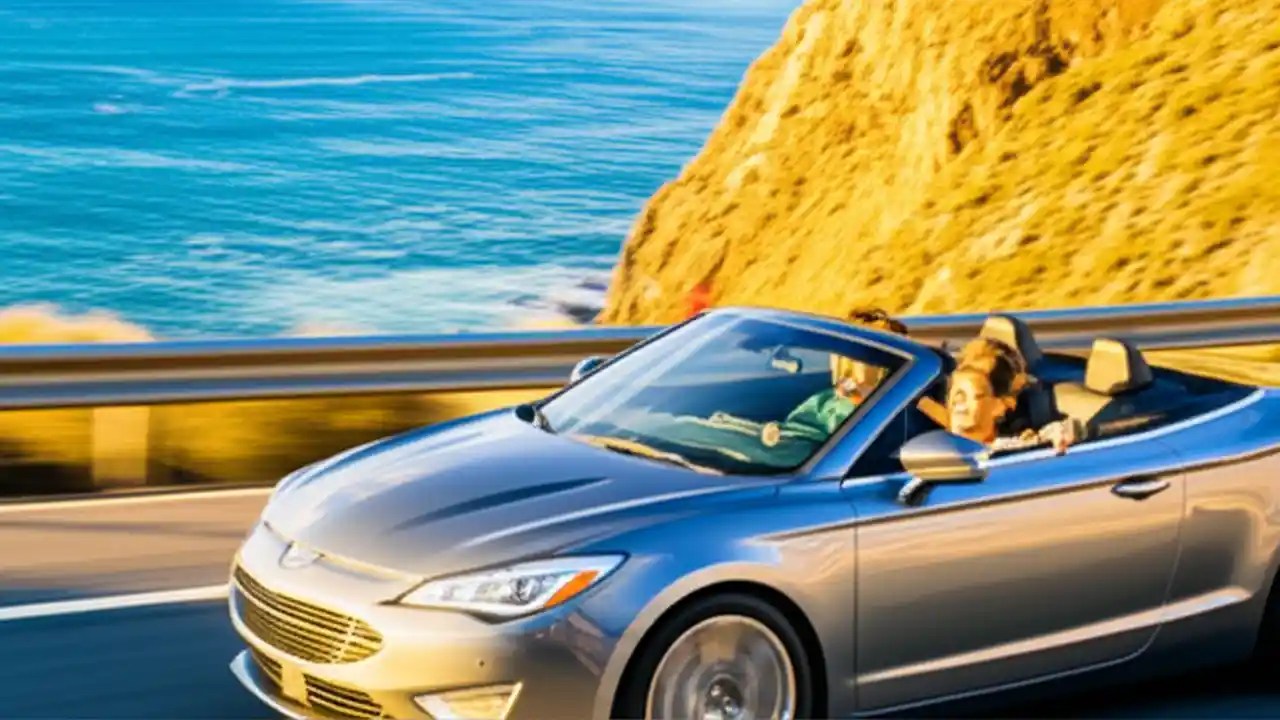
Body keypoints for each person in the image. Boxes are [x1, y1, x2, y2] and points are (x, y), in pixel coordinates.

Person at [946, 337, 1083, 454]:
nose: (957, 400)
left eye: (974, 393)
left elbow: (1058, 433)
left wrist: (1059, 433)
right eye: (955, 391)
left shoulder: (1005, 451)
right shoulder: (934, 443)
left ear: (1001, 405)